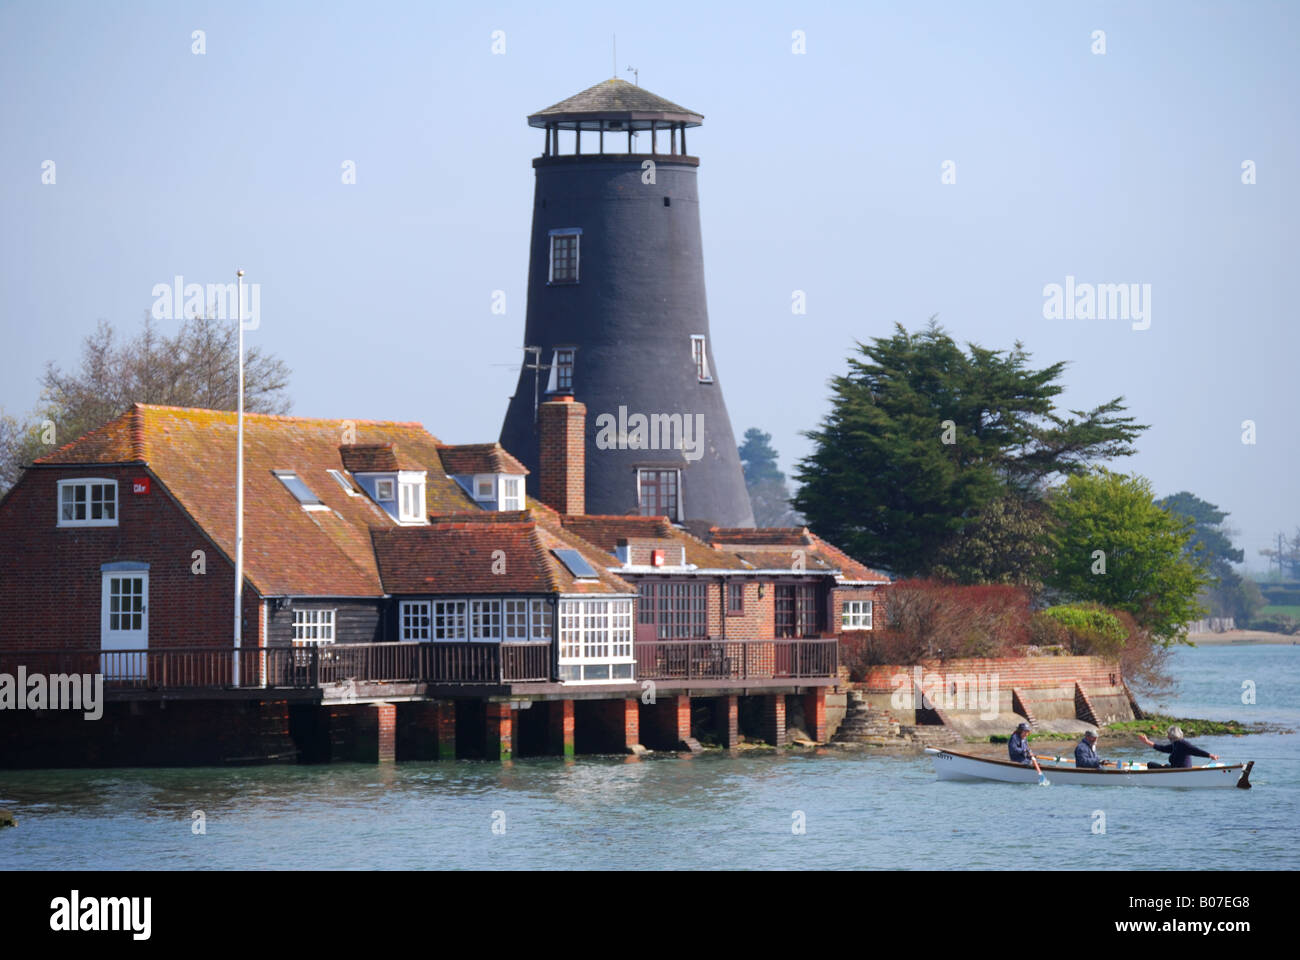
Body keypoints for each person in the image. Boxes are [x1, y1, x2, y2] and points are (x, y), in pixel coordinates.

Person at [1139, 726, 1219, 768]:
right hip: (1175, 769)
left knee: (1150, 764)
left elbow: (1196, 751)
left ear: (1172, 735)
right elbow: (1162, 748)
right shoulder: (1176, 744)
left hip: (1180, 771)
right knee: (1165, 765)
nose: (1167, 736)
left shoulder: (1183, 744)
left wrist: (1210, 755)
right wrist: (1147, 742)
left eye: (1168, 734)